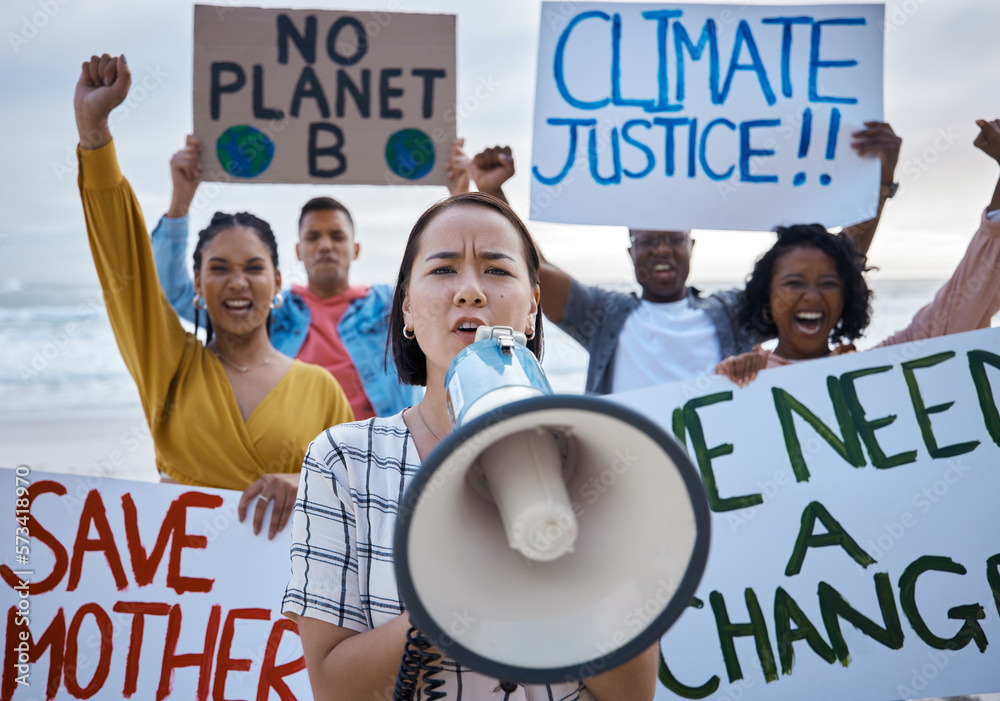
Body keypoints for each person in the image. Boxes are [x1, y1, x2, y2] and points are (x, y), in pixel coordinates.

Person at [281, 192, 658, 700]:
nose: (471, 292)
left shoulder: (593, 459)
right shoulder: (343, 462)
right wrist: (450, 600)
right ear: (407, 309)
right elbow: (333, 687)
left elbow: (632, 692)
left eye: (498, 271)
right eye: (442, 270)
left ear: (532, 308)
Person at [74, 53, 353, 538]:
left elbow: (355, 502)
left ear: (279, 282)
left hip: (294, 605)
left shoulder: (322, 390)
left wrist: (303, 483)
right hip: (188, 602)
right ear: (197, 285)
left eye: (253, 268)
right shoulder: (169, 368)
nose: (238, 282)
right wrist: (94, 132)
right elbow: (125, 266)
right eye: (219, 269)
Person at [470, 126, 902, 393]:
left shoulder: (735, 312)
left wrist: (881, 176)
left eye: (672, 239)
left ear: (691, 247)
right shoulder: (603, 314)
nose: (661, 249)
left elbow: (835, 262)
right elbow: (531, 268)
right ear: (631, 252)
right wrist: (492, 191)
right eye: (647, 241)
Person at [148, 135, 470, 420]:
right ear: (298, 250)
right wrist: (181, 199)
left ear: (355, 248)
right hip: (289, 465)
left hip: (379, 464)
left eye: (336, 236)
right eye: (314, 237)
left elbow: (455, 299)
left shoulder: (391, 306)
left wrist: (460, 197)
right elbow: (176, 293)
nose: (325, 245)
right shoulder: (271, 311)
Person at [715, 118, 1000, 386]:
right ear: (767, 296)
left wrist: (880, 181)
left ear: (847, 296)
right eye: (794, 283)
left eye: (828, 284)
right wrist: (728, 381)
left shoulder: (881, 371)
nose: (812, 296)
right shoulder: (735, 380)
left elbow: (959, 306)